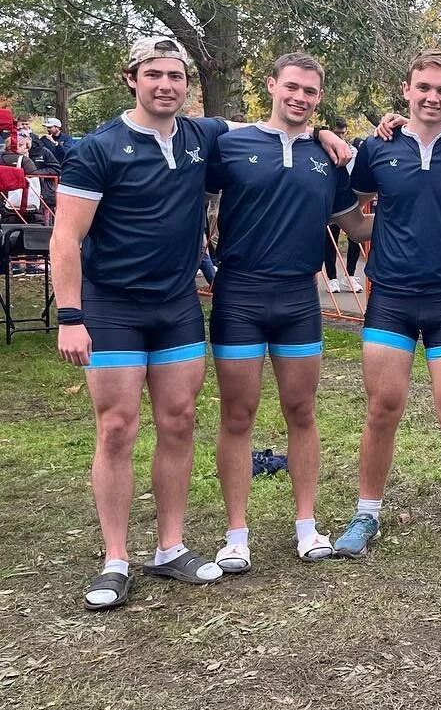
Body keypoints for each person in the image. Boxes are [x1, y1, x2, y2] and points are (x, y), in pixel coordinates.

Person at [51, 36, 350, 610]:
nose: (166, 85)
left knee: (180, 421)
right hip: (113, 306)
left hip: (178, 305)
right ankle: (115, 560)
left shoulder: (202, 135)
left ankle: (170, 548)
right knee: (117, 428)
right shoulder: (97, 148)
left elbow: (273, 128)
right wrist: (70, 316)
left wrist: (324, 132)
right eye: (154, 75)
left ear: (188, 86)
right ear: (132, 78)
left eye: (176, 77)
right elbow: (65, 236)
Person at [331, 50, 441, 562]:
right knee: (382, 408)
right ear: (407, 90)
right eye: (424, 88)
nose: (433, 97)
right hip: (390, 297)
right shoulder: (377, 147)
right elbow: (351, 211)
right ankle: (366, 513)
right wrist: (367, 228)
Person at [206, 54, 374, 572]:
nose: (300, 97)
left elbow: (357, 227)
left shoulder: (328, 156)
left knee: (301, 411)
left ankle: (307, 526)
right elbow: (189, 200)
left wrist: (428, 208)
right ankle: (236, 535)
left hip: (300, 298)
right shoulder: (230, 145)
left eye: (310, 91)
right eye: (292, 87)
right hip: (239, 294)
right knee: (238, 415)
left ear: (319, 97)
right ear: (272, 86)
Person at [322, 119, 364, 292]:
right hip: (332, 201)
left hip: (350, 200)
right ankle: (332, 278)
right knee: (330, 240)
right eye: (337, 132)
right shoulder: (324, 151)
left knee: (355, 237)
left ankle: (350, 276)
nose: (340, 135)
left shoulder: (353, 151)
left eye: (343, 132)